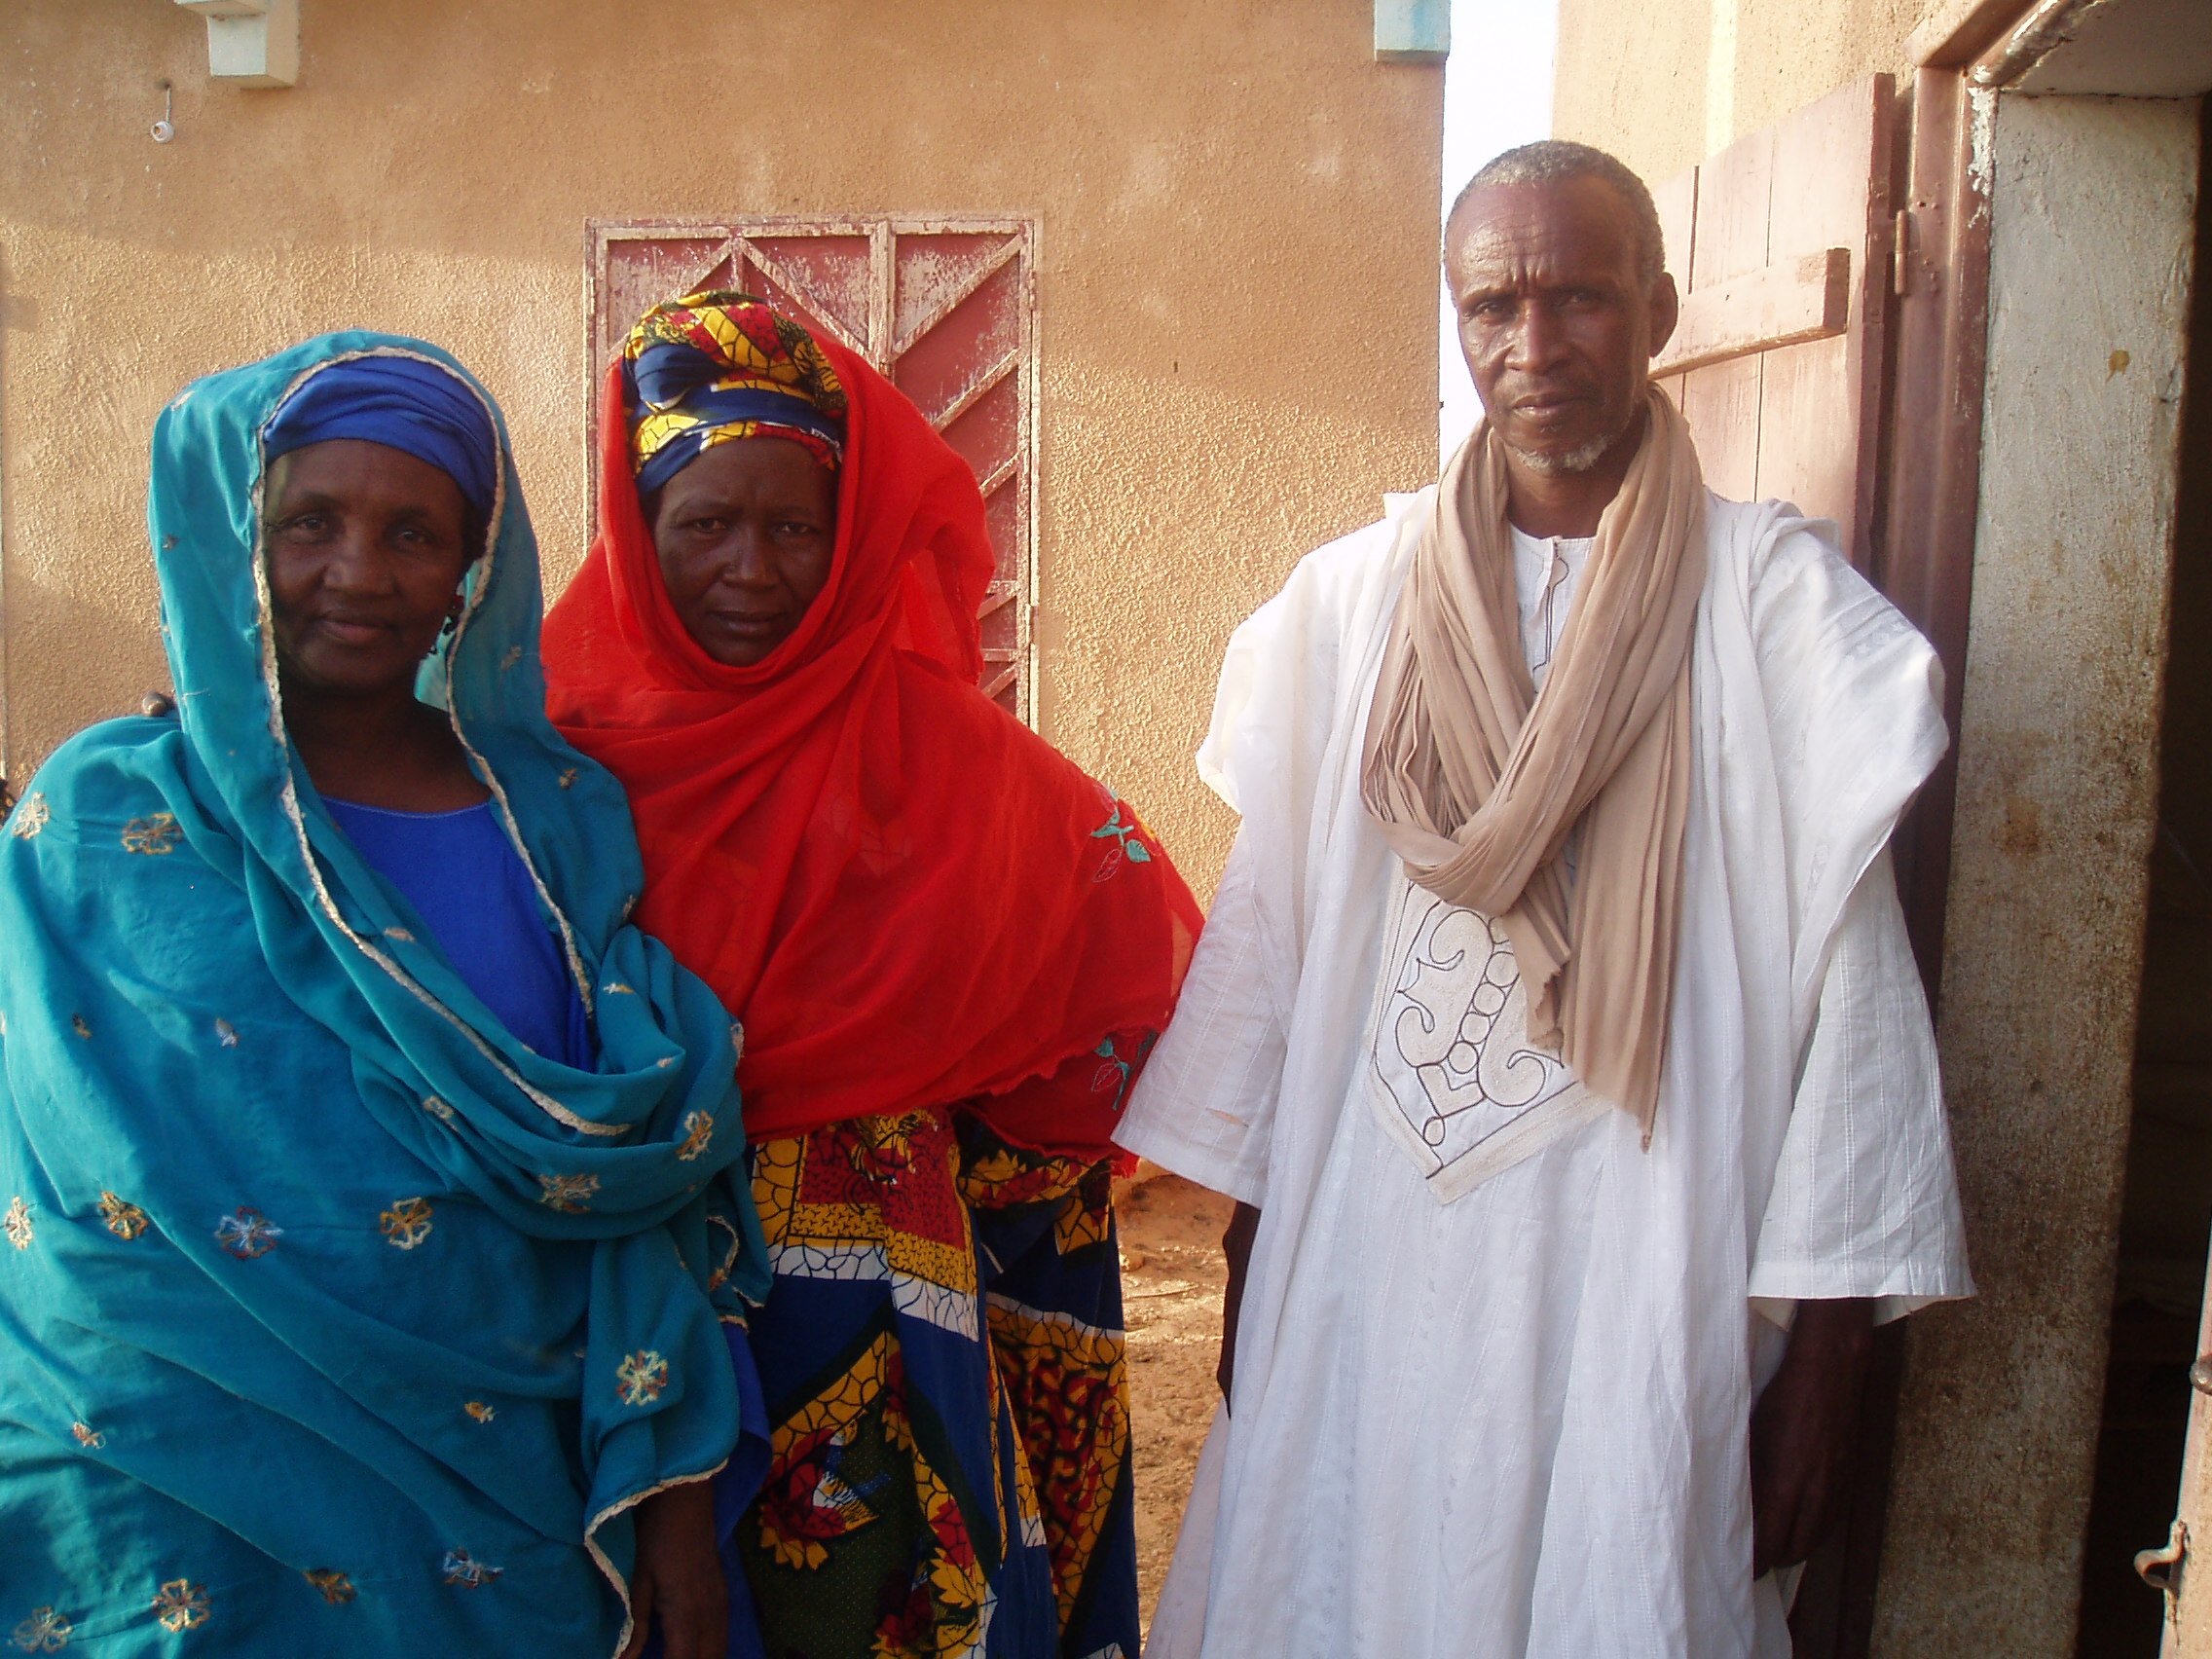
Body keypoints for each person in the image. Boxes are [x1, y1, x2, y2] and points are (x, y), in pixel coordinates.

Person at [1119, 142, 1974, 1659]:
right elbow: (1272, 946)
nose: (1534, 345)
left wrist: (1831, 1366)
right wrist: (1254, 1262)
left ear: (1654, 308)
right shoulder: (1351, 605)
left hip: (1641, 1261)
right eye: (1494, 305)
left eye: (1578, 297)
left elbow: (1855, 1012)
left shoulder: (1773, 610)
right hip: (1369, 1257)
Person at [0, 336, 770, 1659]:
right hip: (164, 1500)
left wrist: (674, 1506)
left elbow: (624, 1179)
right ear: (232, 535)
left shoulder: (557, 820)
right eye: (310, 523)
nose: (358, 574)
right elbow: (68, 1223)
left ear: (475, 564)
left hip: (500, 1502)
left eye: (413, 531)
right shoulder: (101, 820)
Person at [542, 292, 1201, 1659]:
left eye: (795, 528)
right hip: (596, 1328)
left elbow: (1127, 956)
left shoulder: (943, 756)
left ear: (848, 540)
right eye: (705, 524)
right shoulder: (552, 758)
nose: (753, 569)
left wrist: (981, 1128)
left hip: (885, 1340)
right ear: (638, 531)